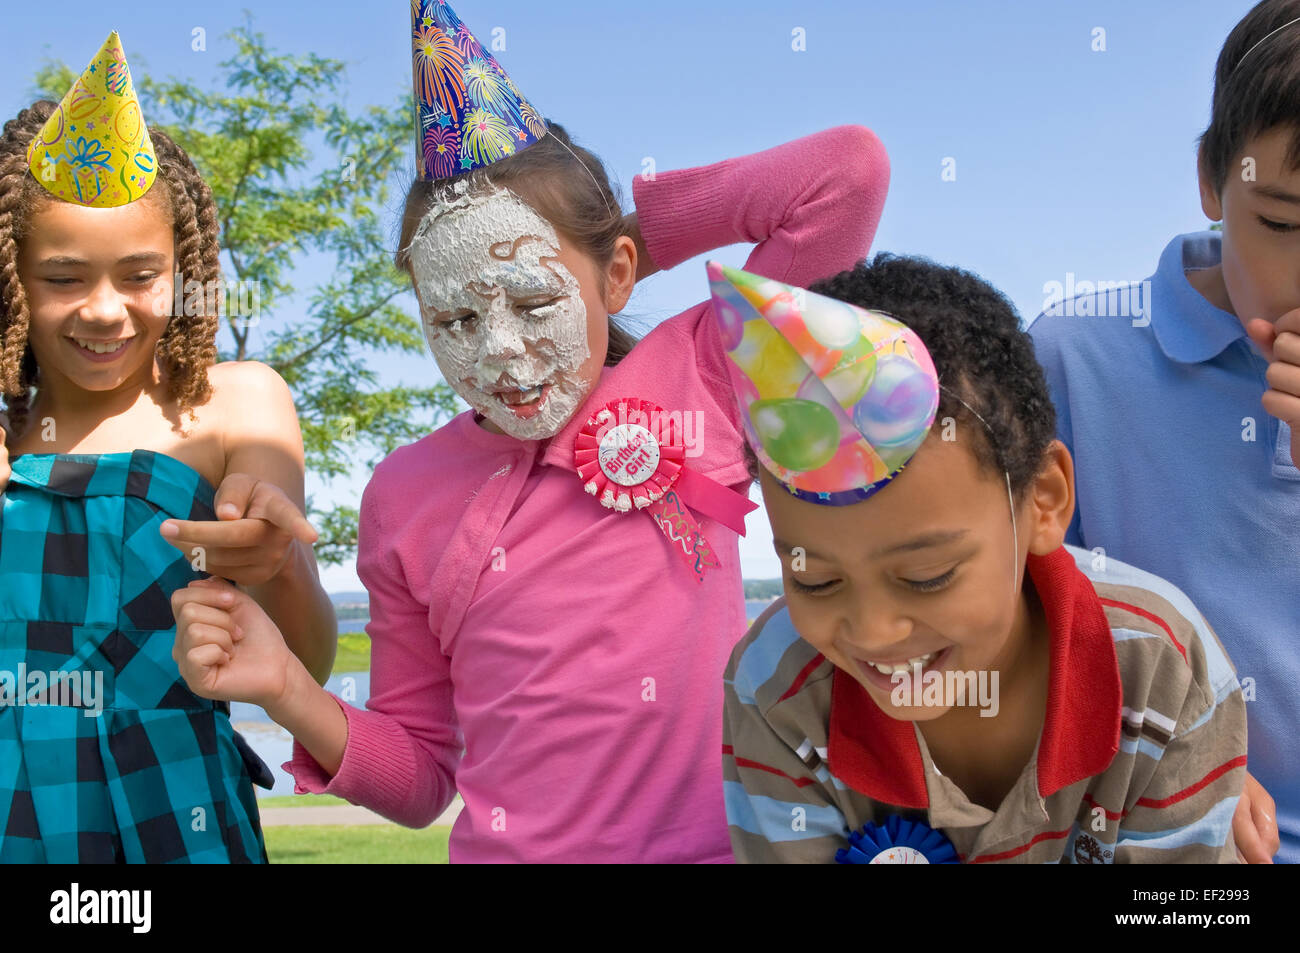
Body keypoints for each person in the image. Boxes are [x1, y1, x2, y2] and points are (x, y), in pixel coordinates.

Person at [168, 0, 889, 862]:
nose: (501, 351)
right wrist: (284, 684)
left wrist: (609, 237)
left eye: (537, 300)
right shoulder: (403, 493)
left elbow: (846, 175)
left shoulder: (708, 372)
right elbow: (423, 776)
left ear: (618, 275)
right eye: (456, 318)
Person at [718, 255, 1247, 863]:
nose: (872, 630)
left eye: (927, 576)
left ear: (1043, 501)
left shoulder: (1160, 669)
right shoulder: (775, 689)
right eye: (814, 579)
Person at [0, 33, 334, 862]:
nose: (105, 310)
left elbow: (309, 661)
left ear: (184, 271)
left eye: (140, 275)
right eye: (64, 276)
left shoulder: (235, 402)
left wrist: (276, 559)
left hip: (173, 797)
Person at [1028, 0, 1299, 863]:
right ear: (1212, 182)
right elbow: (1012, 624)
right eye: (1284, 224)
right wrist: (1186, 756)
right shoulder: (1076, 356)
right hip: (1174, 844)